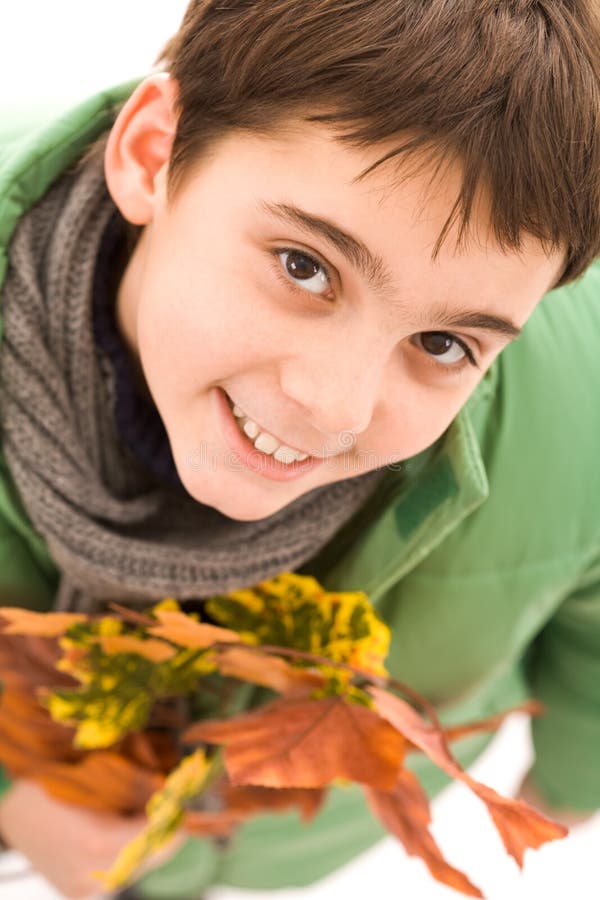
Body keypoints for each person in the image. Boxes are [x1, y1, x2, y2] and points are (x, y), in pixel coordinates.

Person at [0, 1, 599, 897]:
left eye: (444, 346)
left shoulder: (575, 429)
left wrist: (573, 775)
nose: (335, 408)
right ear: (151, 154)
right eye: (305, 266)